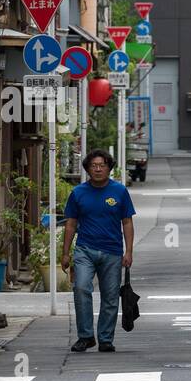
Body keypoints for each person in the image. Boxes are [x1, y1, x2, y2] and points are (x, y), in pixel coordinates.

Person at [60, 149, 135, 353]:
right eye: (94, 166)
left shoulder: (119, 191)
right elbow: (70, 224)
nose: (98, 169)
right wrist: (65, 252)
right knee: (81, 288)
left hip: (112, 251)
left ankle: (105, 338)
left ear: (109, 168)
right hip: (85, 249)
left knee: (110, 296)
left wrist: (128, 251)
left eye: (102, 165)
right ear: (87, 169)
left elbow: (127, 222)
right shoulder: (78, 193)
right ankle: (85, 336)